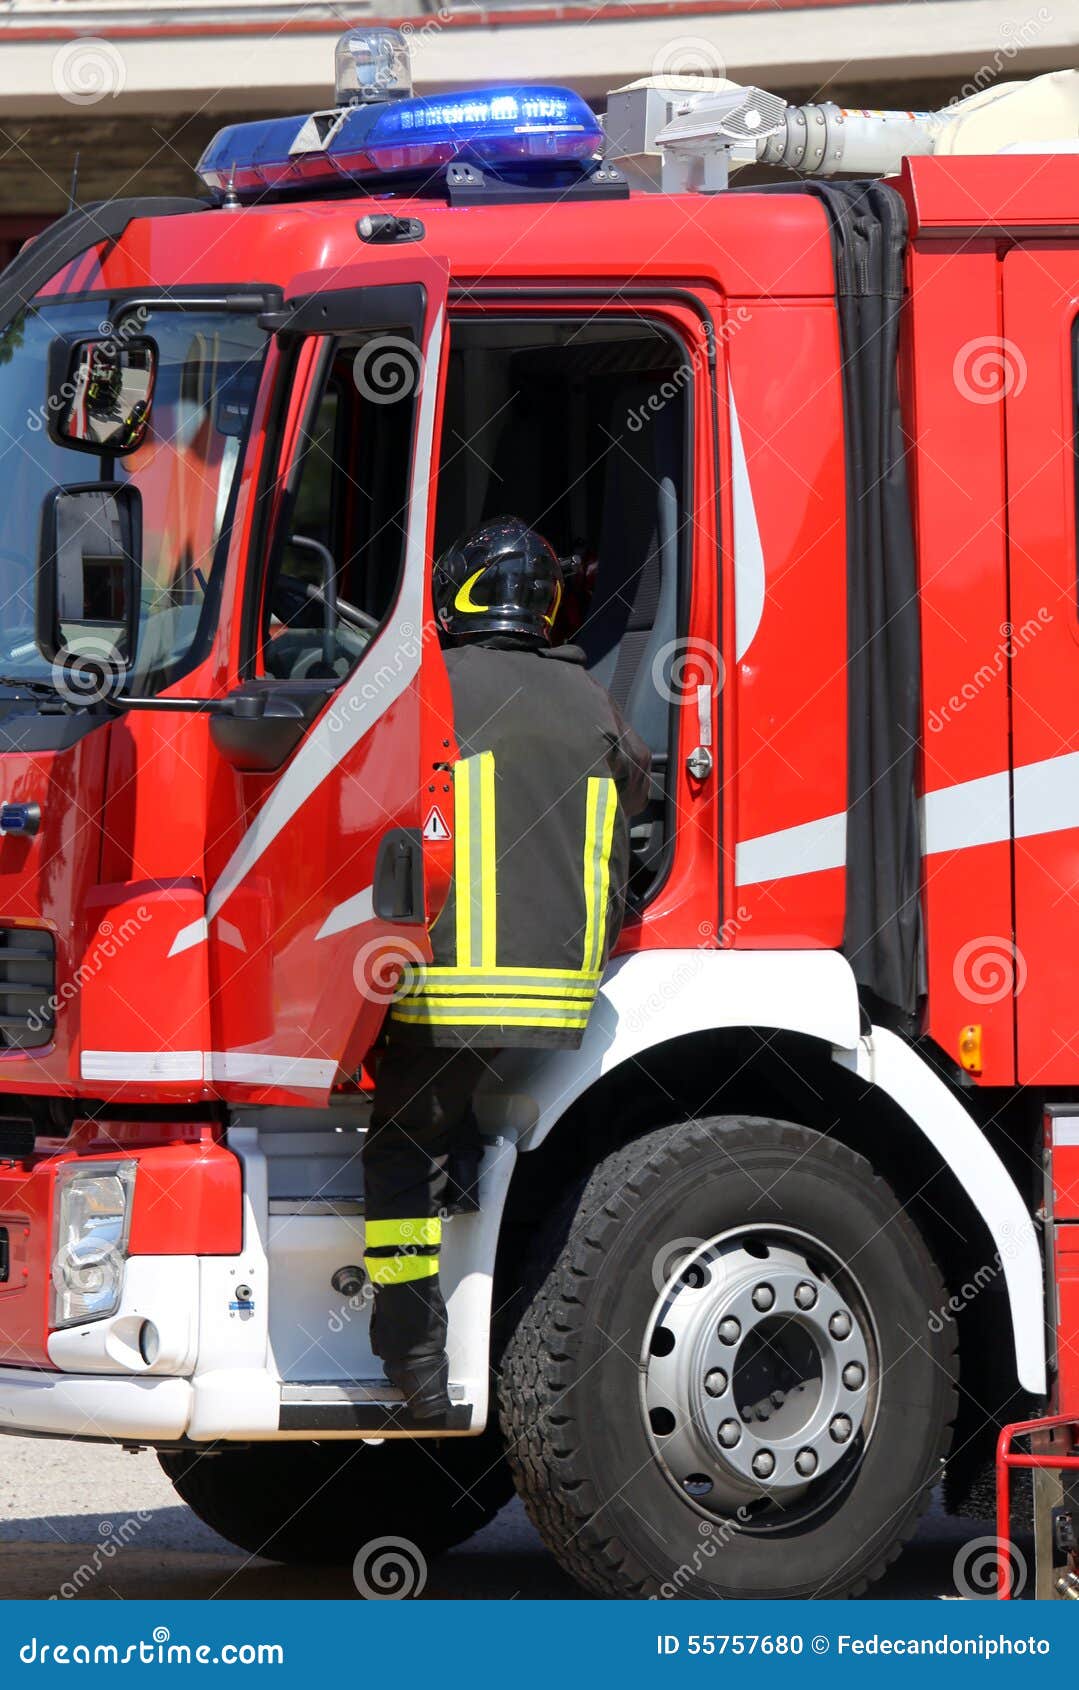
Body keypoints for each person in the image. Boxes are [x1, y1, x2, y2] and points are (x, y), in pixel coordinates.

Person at [362, 516, 652, 1419]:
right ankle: (473, 1182)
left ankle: (412, 1357)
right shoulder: (594, 702)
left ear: (458, 591)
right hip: (564, 1007)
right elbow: (637, 794)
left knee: (399, 1152)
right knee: (462, 1120)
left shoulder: (433, 688)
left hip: (444, 1001)